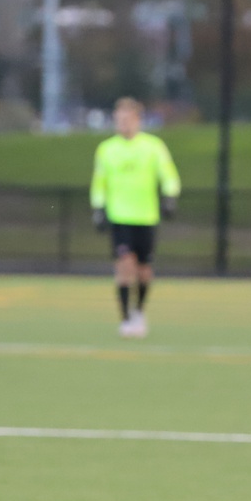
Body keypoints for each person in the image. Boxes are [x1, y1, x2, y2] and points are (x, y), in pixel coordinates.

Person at [89, 97, 180, 338]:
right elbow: (100, 182)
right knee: (124, 264)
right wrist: (98, 208)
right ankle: (126, 318)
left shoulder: (153, 146)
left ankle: (139, 310)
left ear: (138, 120)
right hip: (120, 216)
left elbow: (169, 175)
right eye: (119, 120)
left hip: (146, 217)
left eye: (127, 119)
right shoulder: (107, 149)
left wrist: (170, 197)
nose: (123, 124)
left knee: (144, 270)